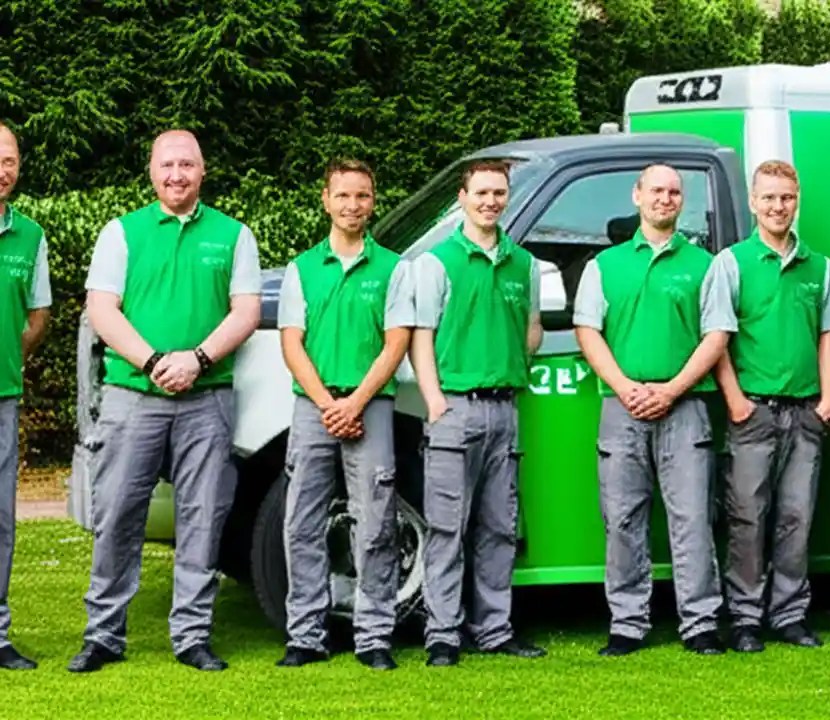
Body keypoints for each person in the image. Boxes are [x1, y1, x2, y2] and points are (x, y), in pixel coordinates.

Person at [73, 130, 262, 672]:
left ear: (203, 171)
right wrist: (155, 362)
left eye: (187, 164)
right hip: (133, 395)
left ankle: (192, 636)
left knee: (203, 516)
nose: (176, 174)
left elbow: (245, 312)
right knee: (117, 514)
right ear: (151, 171)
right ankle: (103, 635)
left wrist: (197, 360)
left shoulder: (233, 235)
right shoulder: (122, 232)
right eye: (167, 165)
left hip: (208, 397)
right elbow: (103, 311)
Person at [573, 163, 733, 657]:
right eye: (656, 190)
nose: (665, 199)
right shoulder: (606, 265)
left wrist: (673, 389)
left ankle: (701, 623)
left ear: (682, 202)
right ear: (637, 195)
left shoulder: (706, 265)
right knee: (622, 518)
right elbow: (588, 331)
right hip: (621, 409)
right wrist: (623, 386)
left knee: (692, 519)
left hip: (685, 409)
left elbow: (718, 335)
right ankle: (627, 623)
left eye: (674, 192)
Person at [274, 158, 413, 671]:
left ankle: (374, 635)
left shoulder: (395, 268)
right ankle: (305, 635)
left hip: (370, 405)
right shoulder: (302, 268)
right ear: (325, 199)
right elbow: (292, 343)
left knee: (375, 522)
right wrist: (329, 404)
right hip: (314, 405)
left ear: (374, 201)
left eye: (362, 196)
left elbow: (395, 342)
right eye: (343, 196)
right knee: (301, 523)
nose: (353, 206)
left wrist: (354, 402)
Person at [411, 159, 545, 667]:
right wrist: (435, 402)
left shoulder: (523, 264)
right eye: (481, 192)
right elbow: (420, 338)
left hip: (504, 410)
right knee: (447, 527)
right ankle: (442, 633)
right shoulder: (436, 263)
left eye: (499, 192)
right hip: (455, 408)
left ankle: (493, 629)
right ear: (462, 198)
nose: (491, 201)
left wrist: (510, 367)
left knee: (498, 527)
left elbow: (531, 328)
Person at [707, 160, 830, 652]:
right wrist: (736, 400)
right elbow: (717, 339)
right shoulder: (731, 263)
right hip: (754, 411)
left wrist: (829, 398)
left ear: (797, 200)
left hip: (806, 410)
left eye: (786, 197)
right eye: (768, 197)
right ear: (752, 201)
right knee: (747, 516)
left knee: (796, 516)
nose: (777, 206)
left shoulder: (820, 267)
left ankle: (788, 614)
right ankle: (744, 617)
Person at [0, 122, 50, 671]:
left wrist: (9, 353)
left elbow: (39, 317)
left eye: (9, 160)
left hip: (2, 396)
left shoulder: (31, 237)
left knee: (0, 518)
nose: (1, 170)